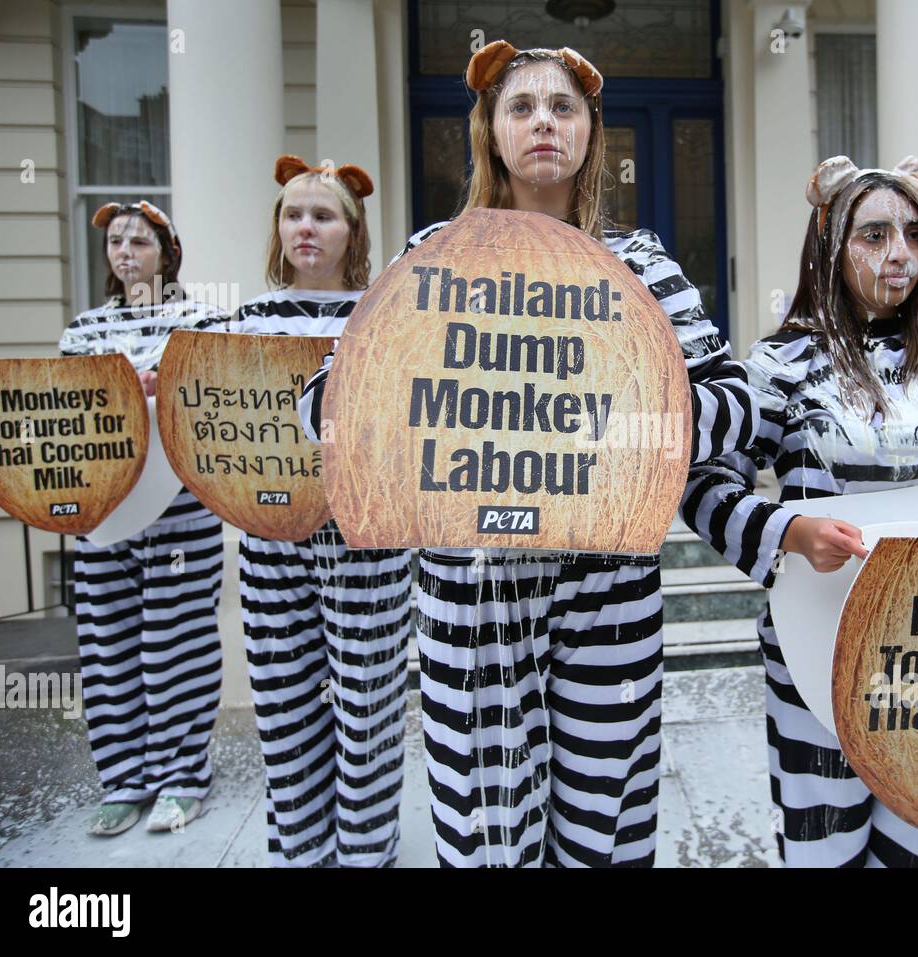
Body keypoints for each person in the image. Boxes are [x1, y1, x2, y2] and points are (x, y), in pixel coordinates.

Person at [299, 40, 758, 867]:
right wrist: (376, 416)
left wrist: (623, 424)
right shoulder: (433, 256)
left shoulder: (643, 265)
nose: (543, 121)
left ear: (590, 132)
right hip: (467, 586)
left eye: (563, 107)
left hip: (609, 585)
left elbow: (736, 403)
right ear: (489, 133)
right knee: (480, 827)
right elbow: (331, 404)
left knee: (604, 819)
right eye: (521, 107)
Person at [680, 154, 918, 867]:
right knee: (826, 844)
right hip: (820, 646)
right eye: (874, 235)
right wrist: (788, 531)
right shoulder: (780, 365)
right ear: (829, 245)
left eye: (914, 235)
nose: (902, 255)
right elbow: (703, 484)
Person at [224, 156, 415, 867]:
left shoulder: (385, 313)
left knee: (367, 697)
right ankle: (300, 848)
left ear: (353, 230)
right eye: (293, 214)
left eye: (323, 214)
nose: (306, 226)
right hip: (270, 536)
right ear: (277, 229)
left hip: (368, 536)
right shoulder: (242, 322)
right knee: (283, 694)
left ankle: (368, 849)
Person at [61, 201, 226, 836]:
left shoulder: (199, 321)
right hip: (102, 512)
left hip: (180, 510)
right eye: (116, 242)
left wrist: (168, 387)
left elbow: (214, 401)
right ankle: (124, 780)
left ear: (167, 252)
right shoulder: (82, 331)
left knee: (174, 644)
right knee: (108, 644)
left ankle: (183, 776)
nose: (125, 251)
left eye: (139, 241)